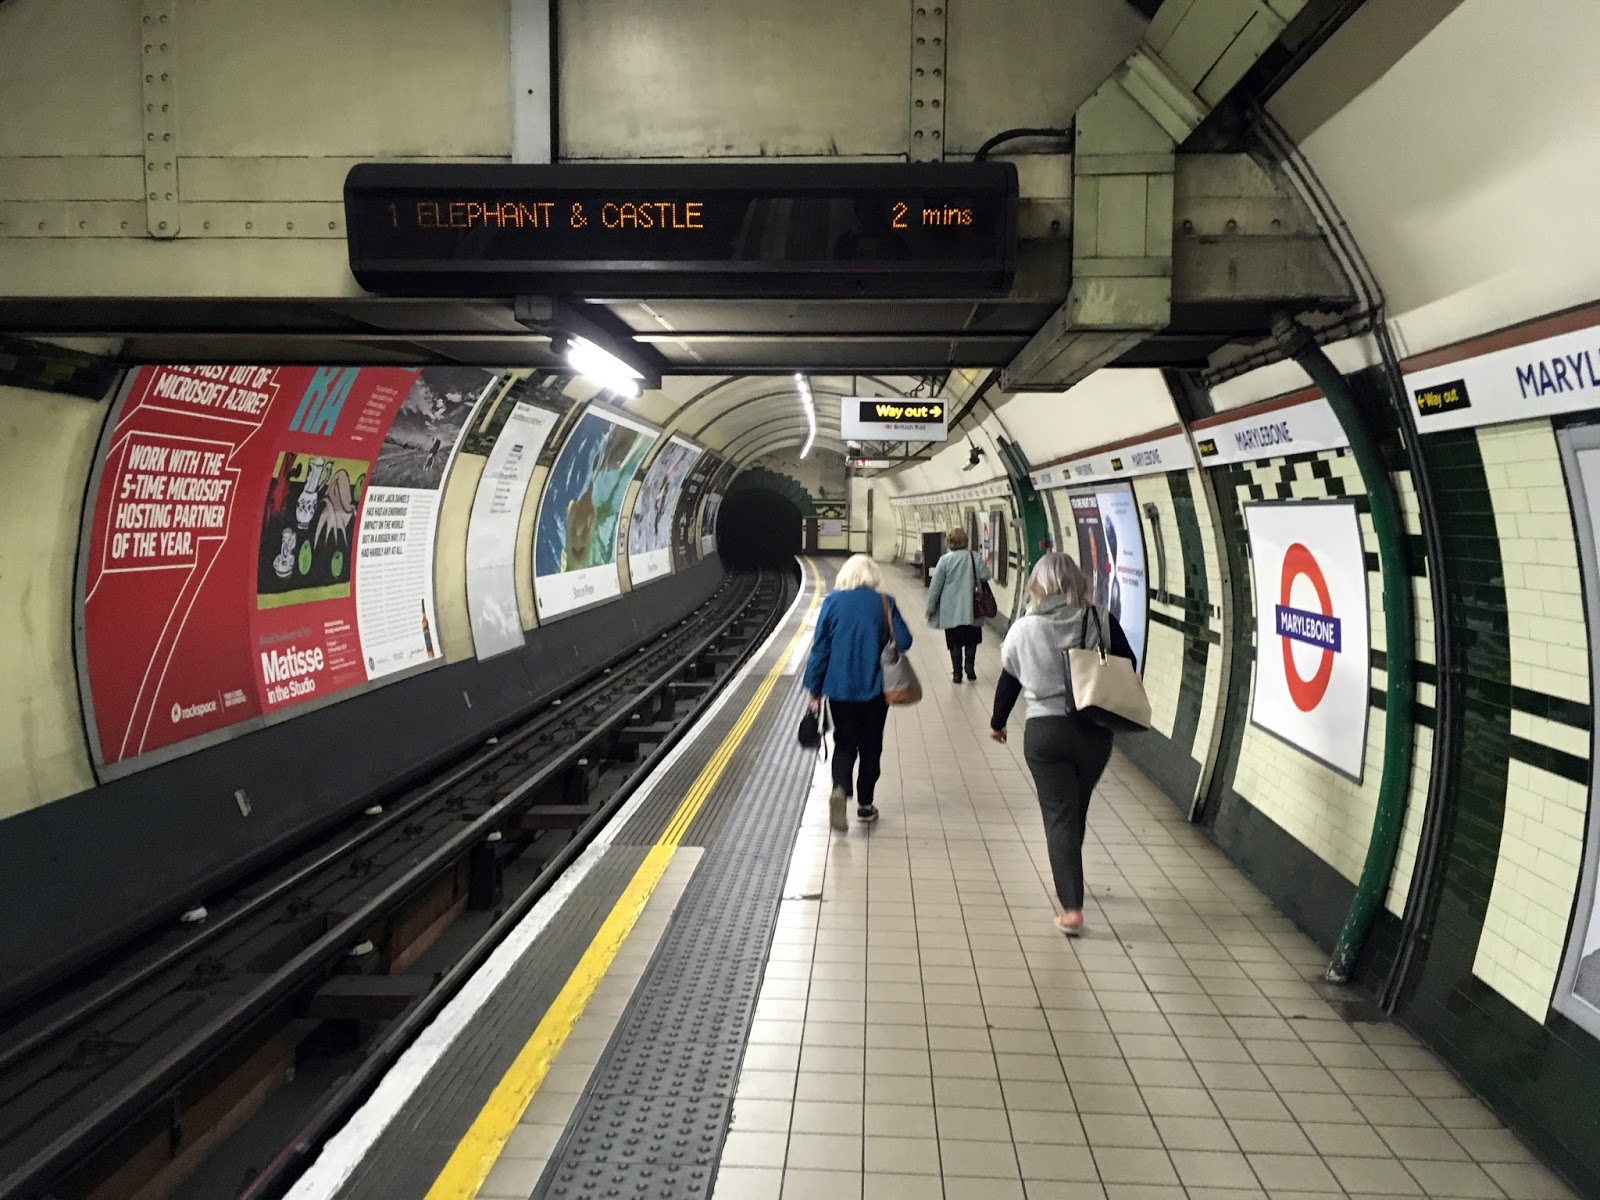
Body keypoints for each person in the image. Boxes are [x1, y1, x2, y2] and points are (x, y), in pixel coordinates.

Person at [989, 553, 1134, 936]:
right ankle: (1069, 874)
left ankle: (1072, 907)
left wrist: (997, 723)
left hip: (1045, 731)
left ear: (1037, 584)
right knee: (1075, 808)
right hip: (1094, 731)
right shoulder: (1099, 619)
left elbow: (1009, 679)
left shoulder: (1023, 629)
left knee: (1059, 815)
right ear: (1078, 582)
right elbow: (1128, 664)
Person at [803, 554, 913, 832]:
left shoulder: (832, 603)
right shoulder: (885, 602)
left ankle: (840, 788)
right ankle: (865, 804)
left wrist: (814, 689)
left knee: (844, 743)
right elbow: (905, 640)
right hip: (875, 689)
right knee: (871, 745)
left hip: (839, 690)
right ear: (872, 576)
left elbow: (820, 650)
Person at [924, 527, 991, 684]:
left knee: (954, 642)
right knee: (972, 640)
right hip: (972, 608)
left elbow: (935, 587)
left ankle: (957, 674)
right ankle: (970, 667)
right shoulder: (974, 557)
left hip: (951, 610)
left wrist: (930, 608)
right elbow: (986, 575)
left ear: (949, 542)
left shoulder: (944, 560)